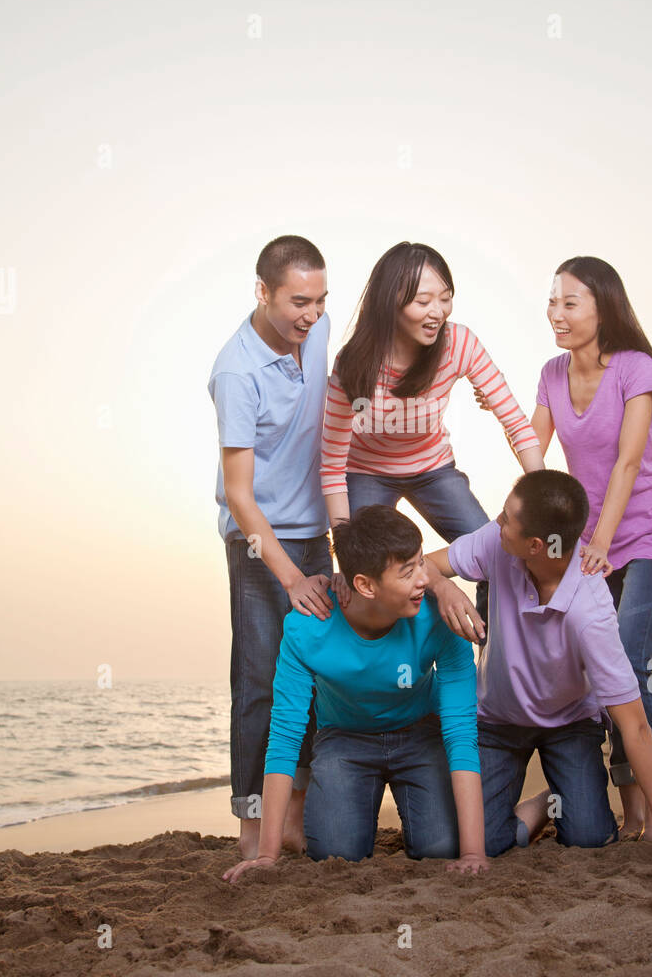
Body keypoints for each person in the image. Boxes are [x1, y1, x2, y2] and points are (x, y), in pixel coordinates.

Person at [475, 258, 652, 841]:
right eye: (552, 302)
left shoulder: (636, 370)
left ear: (602, 307)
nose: (556, 314)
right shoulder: (550, 373)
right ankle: (599, 793)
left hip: (642, 533)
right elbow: (532, 447)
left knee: (631, 660)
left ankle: (642, 802)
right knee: (601, 665)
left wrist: (599, 542)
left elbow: (626, 462)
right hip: (585, 539)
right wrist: (519, 515)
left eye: (570, 303)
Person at [423, 471, 652, 870]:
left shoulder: (590, 612)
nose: (498, 522)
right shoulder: (496, 541)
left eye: (508, 519)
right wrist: (444, 587)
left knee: (588, 839)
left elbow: (634, 726)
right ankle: (543, 803)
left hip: (569, 724)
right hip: (497, 720)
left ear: (536, 545)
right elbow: (423, 565)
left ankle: (554, 798)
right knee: (478, 840)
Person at [222, 506, 488, 881]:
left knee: (439, 849)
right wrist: (267, 854)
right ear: (365, 585)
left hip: (418, 734)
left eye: (421, 564)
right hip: (344, 741)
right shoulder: (308, 627)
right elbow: (284, 738)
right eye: (408, 571)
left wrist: (474, 851)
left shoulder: (442, 616)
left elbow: (461, 732)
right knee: (335, 853)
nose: (423, 580)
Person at [319, 242, 544, 629]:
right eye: (423, 301)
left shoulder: (459, 343)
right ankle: (388, 671)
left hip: (433, 468)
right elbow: (332, 463)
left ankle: (494, 659)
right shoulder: (353, 363)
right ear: (391, 302)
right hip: (366, 471)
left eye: (445, 298)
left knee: (499, 552)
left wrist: (542, 497)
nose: (437, 312)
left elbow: (515, 421)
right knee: (369, 577)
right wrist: (344, 545)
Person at [208, 235, 339, 864]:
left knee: (316, 679)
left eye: (319, 300)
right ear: (262, 293)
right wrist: (290, 577)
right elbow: (239, 496)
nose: (311, 315)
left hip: (317, 533)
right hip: (260, 545)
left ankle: (296, 817)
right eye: (297, 302)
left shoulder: (319, 328)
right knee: (260, 681)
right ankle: (254, 828)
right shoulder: (235, 372)